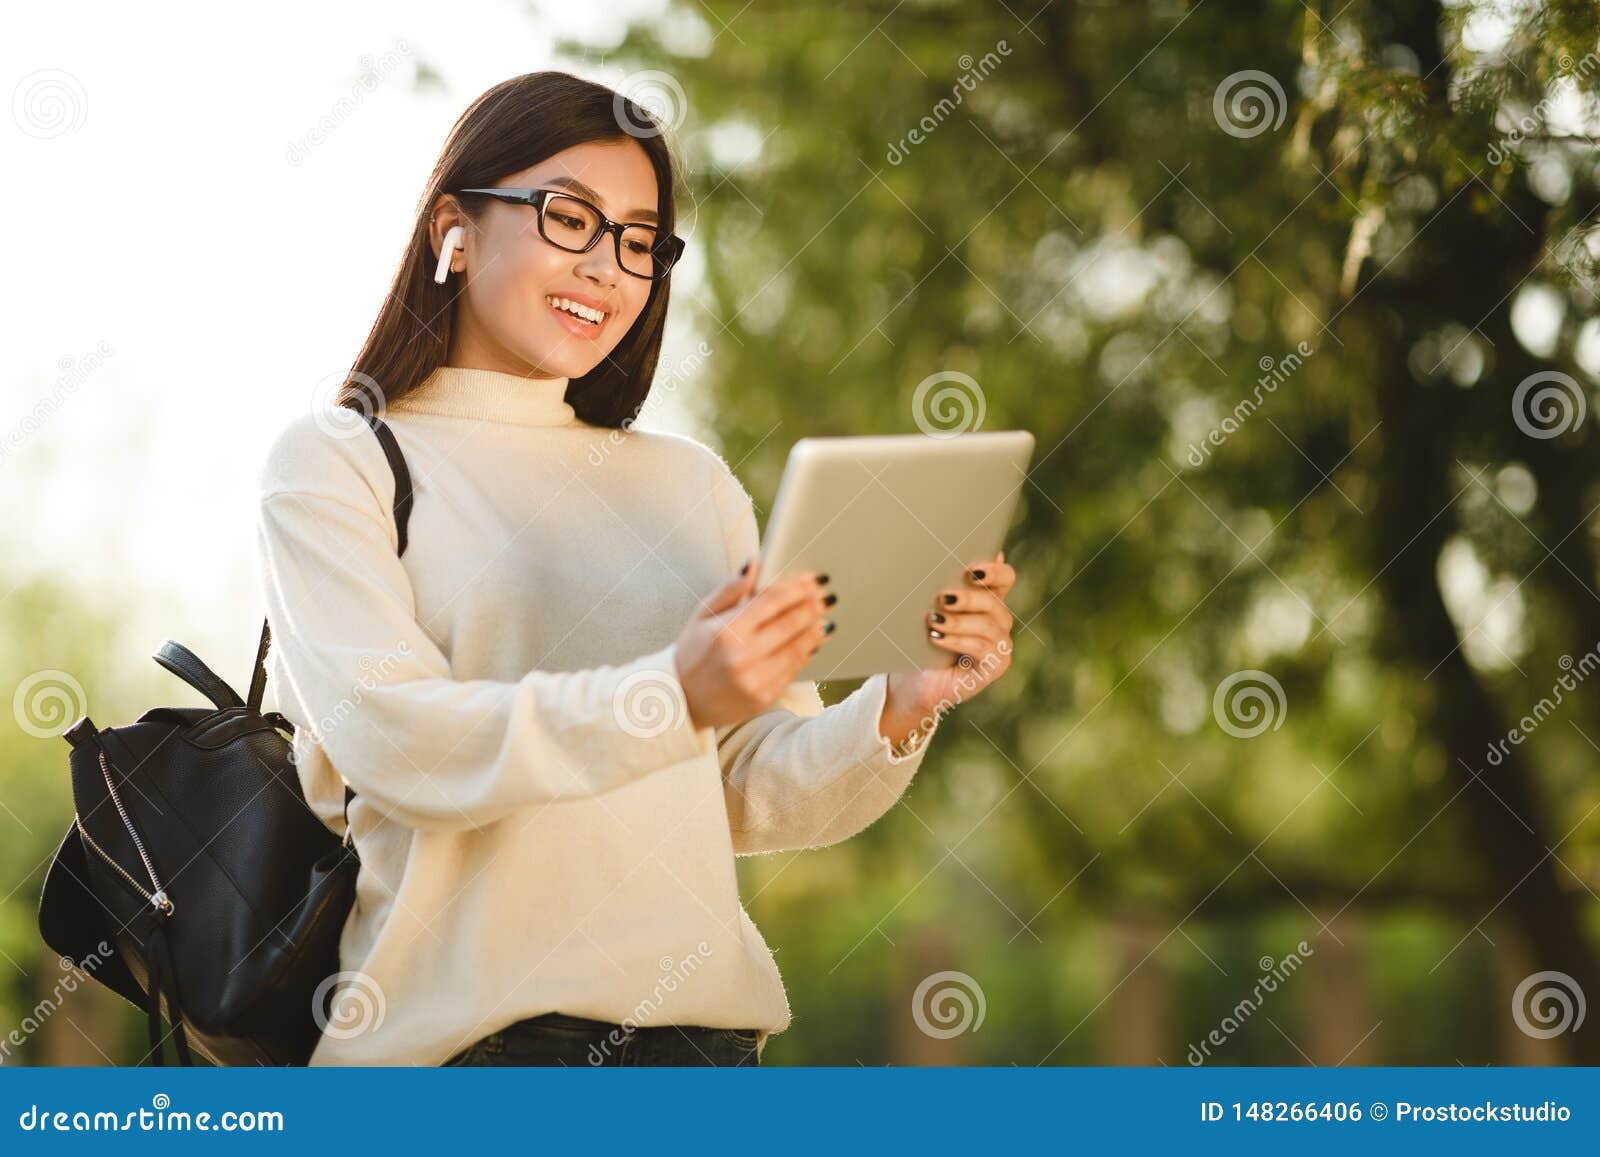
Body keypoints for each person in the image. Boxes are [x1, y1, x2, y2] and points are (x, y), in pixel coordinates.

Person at [254, 70, 1018, 1067]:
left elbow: (747, 790)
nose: (608, 267)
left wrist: (900, 700)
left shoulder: (691, 487)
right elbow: (401, 743)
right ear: (454, 226)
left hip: (701, 1055)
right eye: (569, 217)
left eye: (637, 239)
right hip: (457, 1062)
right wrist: (676, 693)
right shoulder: (340, 458)